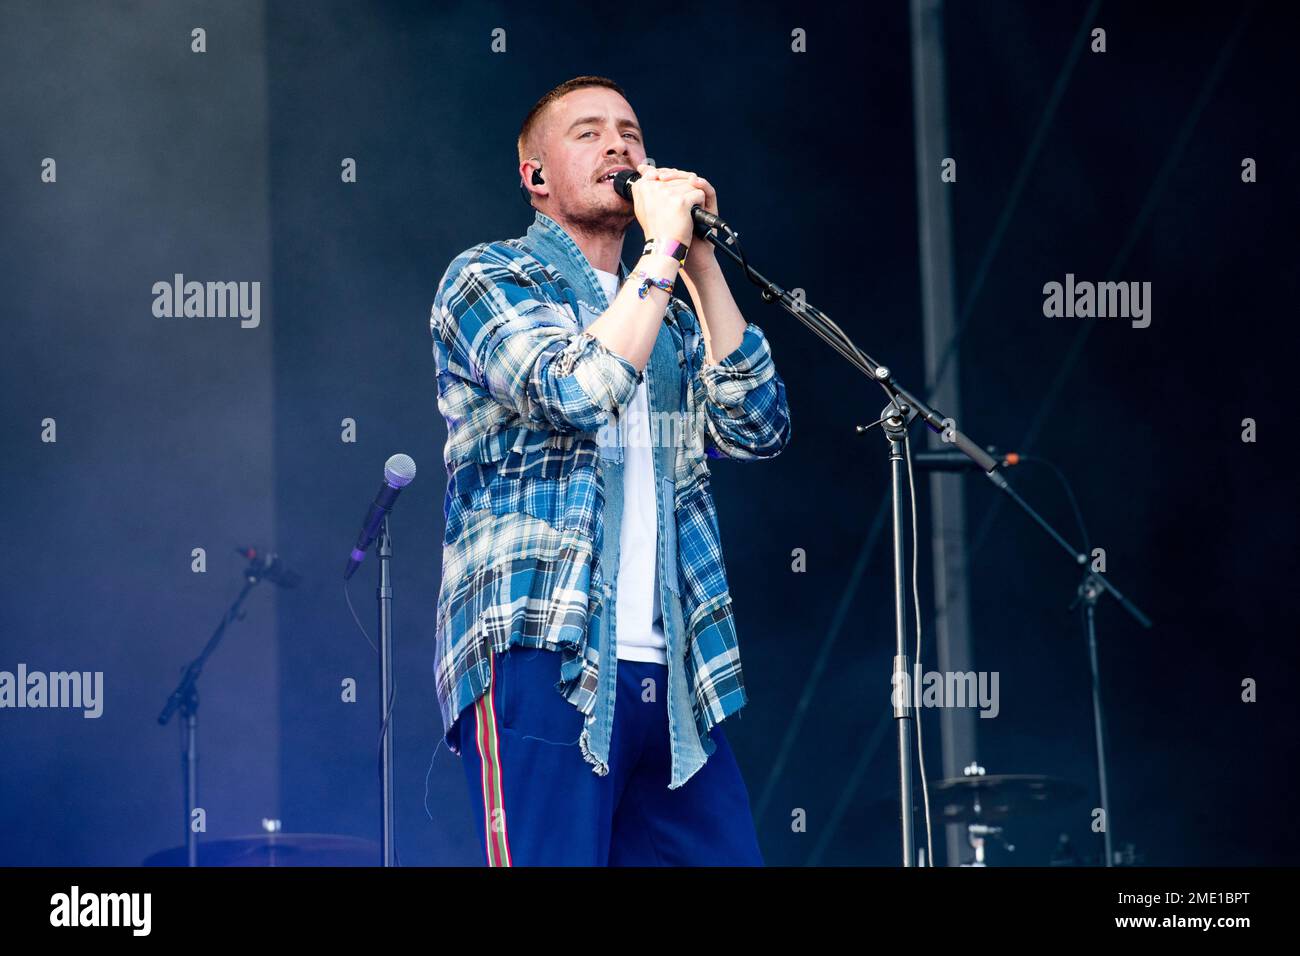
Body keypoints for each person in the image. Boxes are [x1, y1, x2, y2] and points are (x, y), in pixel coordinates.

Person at [429, 75, 791, 865]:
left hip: (675, 677)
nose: (619, 145)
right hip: (539, 652)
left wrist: (697, 260)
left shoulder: (666, 309)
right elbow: (574, 389)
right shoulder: (487, 278)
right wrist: (661, 256)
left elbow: (757, 427)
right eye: (589, 132)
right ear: (536, 177)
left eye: (629, 132)